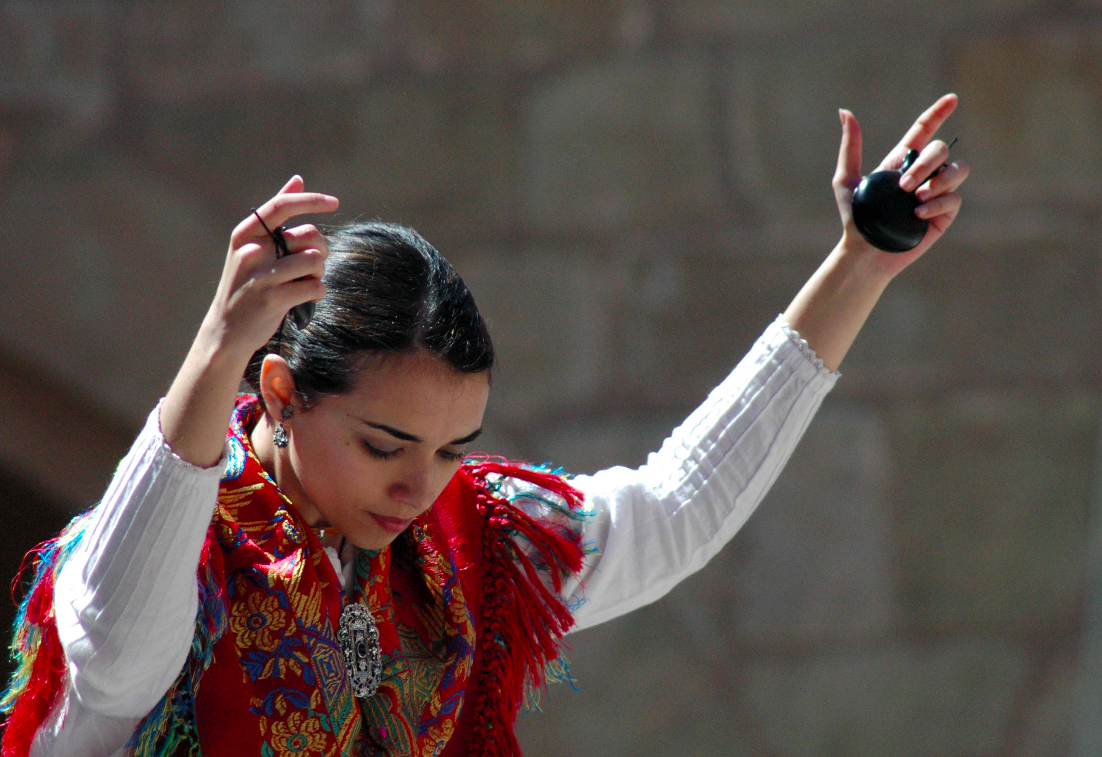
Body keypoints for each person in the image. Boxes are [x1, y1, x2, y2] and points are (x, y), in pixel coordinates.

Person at [1, 95, 969, 757]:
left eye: (450, 449)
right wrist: (217, 349)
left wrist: (858, 267)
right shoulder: (176, 556)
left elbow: (674, 508)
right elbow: (115, 649)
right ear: (283, 394)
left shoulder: (470, 539)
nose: (418, 487)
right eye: (384, 445)